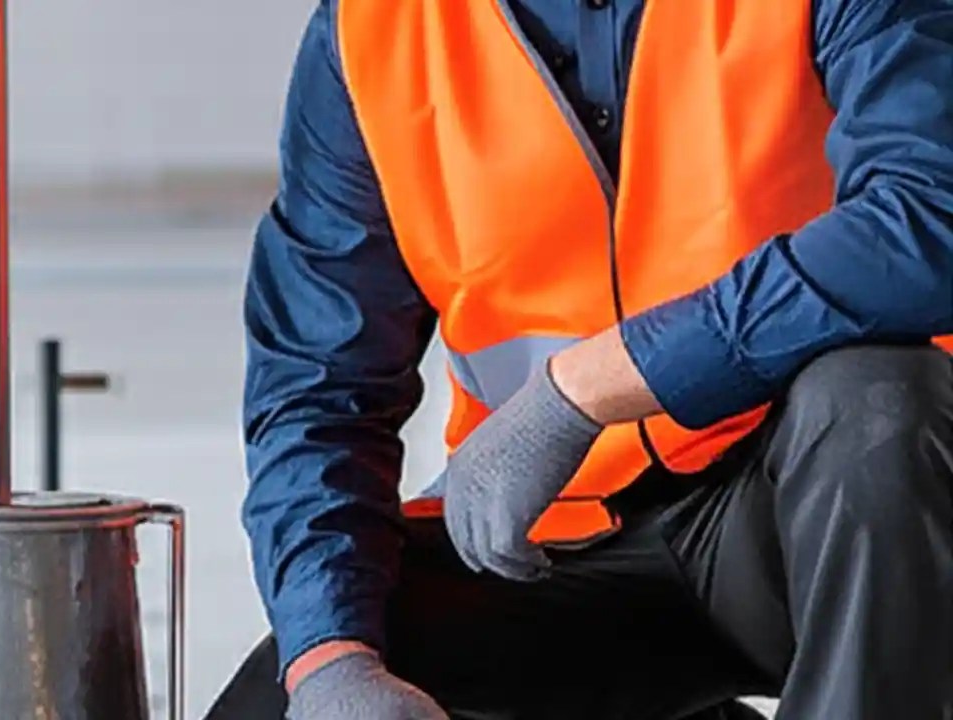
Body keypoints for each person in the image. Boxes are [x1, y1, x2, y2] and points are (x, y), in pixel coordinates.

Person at [208, 0, 953, 717]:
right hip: (549, 541)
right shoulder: (374, 28)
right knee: (289, 700)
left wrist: (584, 390)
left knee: (879, 403)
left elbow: (927, 216)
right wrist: (333, 659)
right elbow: (319, 388)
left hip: (824, 519)